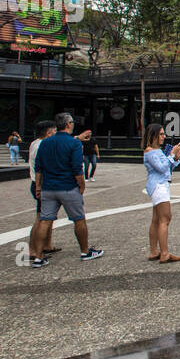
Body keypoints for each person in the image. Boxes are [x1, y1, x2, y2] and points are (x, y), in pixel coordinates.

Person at [33, 112, 102, 265]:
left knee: (44, 220)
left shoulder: (45, 142)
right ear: (68, 124)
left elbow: (39, 167)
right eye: (72, 122)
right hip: (68, 187)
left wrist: (38, 186)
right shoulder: (74, 143)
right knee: (78, 219)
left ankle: (38, 257)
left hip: (48, 188)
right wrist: (82, 185)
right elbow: (77, 167)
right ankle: (85, 251)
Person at [143, 123, 180, 263]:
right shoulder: (150, 152)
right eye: (160, 134)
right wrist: (171, 155)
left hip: (160, 185)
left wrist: (175, 157)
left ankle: (154, 251)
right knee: (165, 219)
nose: (163, 136)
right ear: (153, 135)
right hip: (159, 186)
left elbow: (167, 168)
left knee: (156, 219)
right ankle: (164, 253)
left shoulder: (156, 151)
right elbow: (161, 168)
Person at [27, 120, 58, 263]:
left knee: (48, 216)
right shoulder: (41, 145)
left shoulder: (35, 143)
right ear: (49, 132)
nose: (56, 134)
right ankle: (33, 250)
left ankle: (47, 245)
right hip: (42, 184)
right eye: (55, 131)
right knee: (41, 218)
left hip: (41, 184)